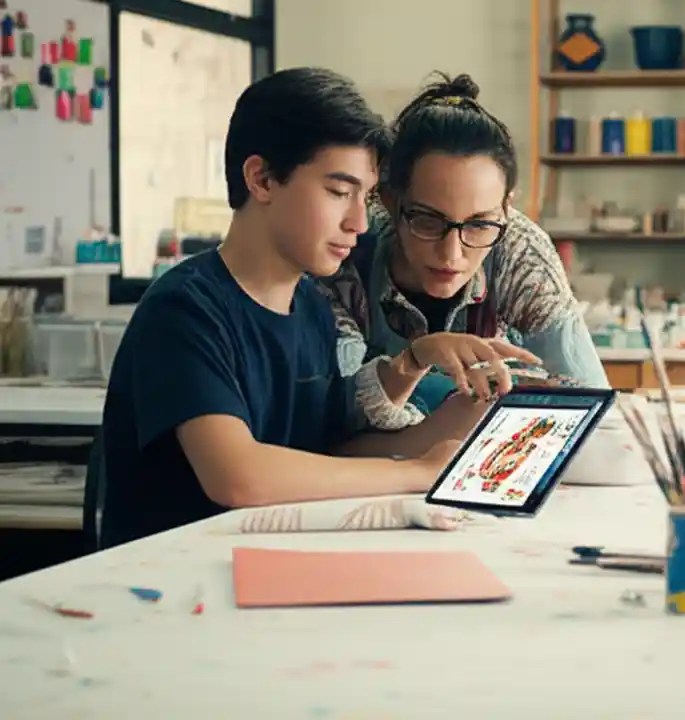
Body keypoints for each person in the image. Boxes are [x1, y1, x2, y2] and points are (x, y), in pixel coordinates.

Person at [98, 68, 531, 548]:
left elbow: (333, 455)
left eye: (365, 198)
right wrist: (418, 471)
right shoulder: (185, 309)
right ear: (261, 178)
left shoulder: (310, 307)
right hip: (168, 585)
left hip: (266, 567)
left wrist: (464, 417)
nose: (361, 223)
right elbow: (240, 477)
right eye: (339, 192)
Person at [315, 73, 647, 486]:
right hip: (357, 492)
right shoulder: (347, 252)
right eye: (427, 220)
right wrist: (437, 405)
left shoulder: (520, 250)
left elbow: (590, 416)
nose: (452, 254)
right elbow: (325, 430)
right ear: (389, 200)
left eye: (479, 225)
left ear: (506, 209)